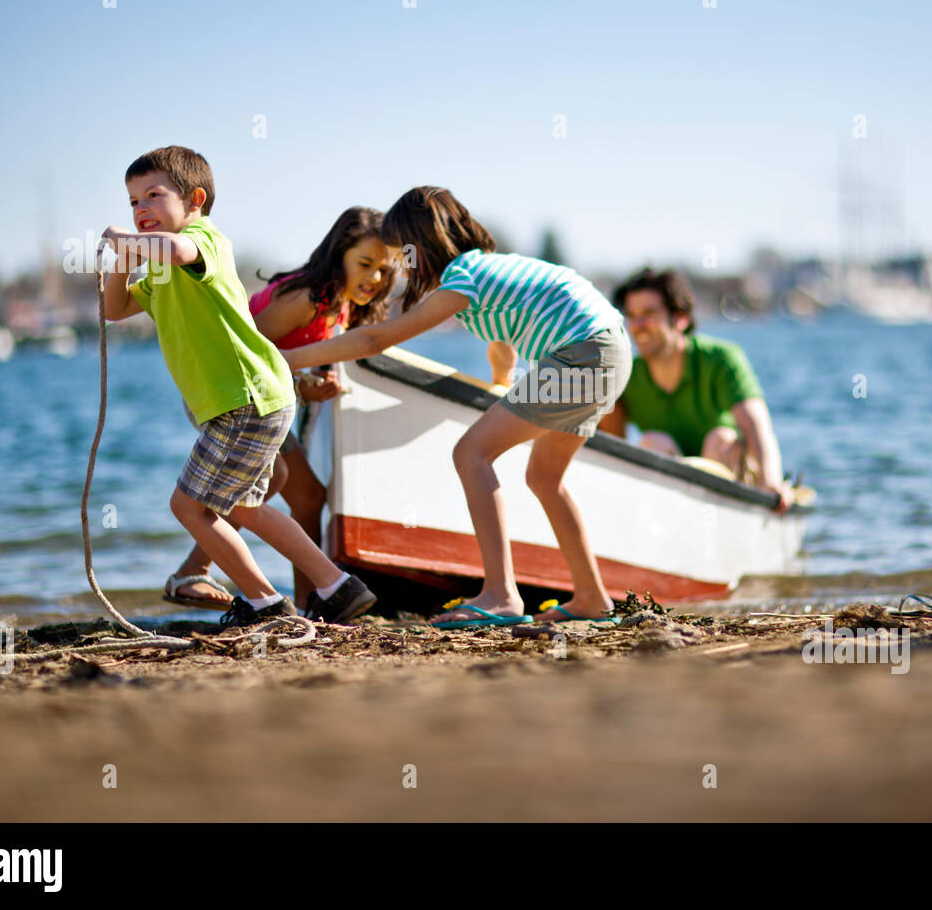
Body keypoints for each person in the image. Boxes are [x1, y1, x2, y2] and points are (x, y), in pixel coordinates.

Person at [283, 186, 632, 624]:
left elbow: (376, 339)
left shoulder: (461, 279)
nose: (401, 268)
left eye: (401, 256)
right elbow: (505, 347)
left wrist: (288, 358)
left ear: (418, 246)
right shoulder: (489, 270)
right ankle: (592, 598)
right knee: (545, 477)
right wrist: (503, 382)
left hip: (580, 354)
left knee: (471, 453)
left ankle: (501, 595)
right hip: (611, 351)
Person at [99, 145, 376, 628]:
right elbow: (115, 308)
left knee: (188, 505)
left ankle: (266, 601)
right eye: (132, 202)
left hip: (245, 401)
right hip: (241, 405)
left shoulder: (204, 240)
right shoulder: (158, 266)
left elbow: (179, 250)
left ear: (195, 200)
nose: (141, 208)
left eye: (153, 195)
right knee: (243, 507)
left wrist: (134, 241)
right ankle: (336, 586)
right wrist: (123, 256)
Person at [162, 206, 399, 612]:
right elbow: (247, 354)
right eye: (365, 263)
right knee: (292, 493)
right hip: (234, 400)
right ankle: (319, 595)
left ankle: (201, 572)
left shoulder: (337, 303)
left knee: (293, 490)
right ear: (339, 253)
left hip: (260, 402)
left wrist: (307, 384)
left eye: (385, 269)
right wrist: (304, 384)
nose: (375, 277)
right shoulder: (305, 298)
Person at [599, 267, 795, 511]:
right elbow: (610, 445)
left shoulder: (721, 359)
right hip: (669, 493)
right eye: (632, 316)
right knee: (652, 442)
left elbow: (757, 425)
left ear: (680, 319)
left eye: (649, 314)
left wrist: (771, 482)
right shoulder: (623, 374)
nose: (638, 325)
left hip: (729, 473)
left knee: (720, 440)